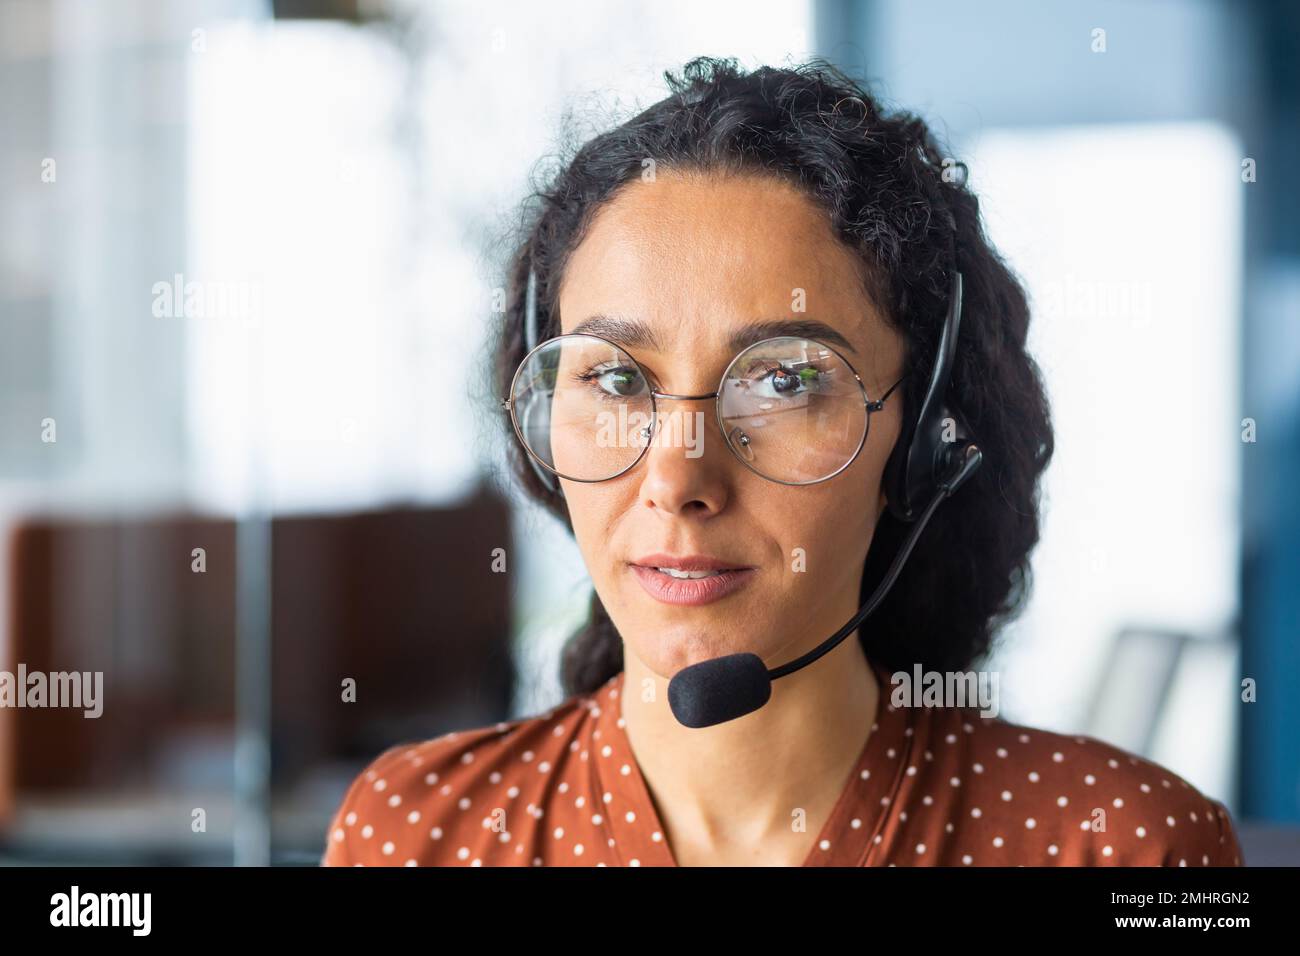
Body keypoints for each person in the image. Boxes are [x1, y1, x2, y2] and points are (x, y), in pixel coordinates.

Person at [321, 56, 1243, 867]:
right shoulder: (413, 835)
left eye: (787, 381)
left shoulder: (1123, 848)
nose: (678, 482)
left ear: (923, 440)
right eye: (613, 380)